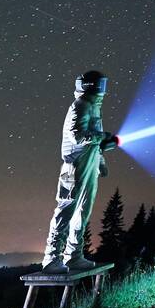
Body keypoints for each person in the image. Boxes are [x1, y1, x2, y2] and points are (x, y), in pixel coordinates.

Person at [41, 70, 120, 274]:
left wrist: (100, 157)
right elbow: (77, 136)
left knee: (83, 211)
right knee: (66, 209)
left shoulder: (93, 108)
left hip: (88, 167)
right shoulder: (80, 105)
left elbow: (93, 142)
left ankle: (73, 256)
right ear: (90, 86)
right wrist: (101, 137)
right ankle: (51, 259)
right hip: (74, 167)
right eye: (100, 86)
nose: (103, 91)